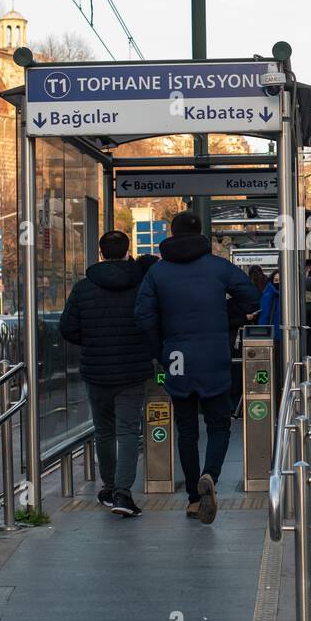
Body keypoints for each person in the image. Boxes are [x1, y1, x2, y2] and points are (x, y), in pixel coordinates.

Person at [135, 211, 259, 524]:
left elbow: (144, 317)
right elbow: (250, 297)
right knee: (219, 425)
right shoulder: (219, 267)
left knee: (187, 431)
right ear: (200, 232)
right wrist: (222, 314)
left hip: (176, 359)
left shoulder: (158, 273)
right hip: (214, 358)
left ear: (172, 234)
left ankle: (193, 498)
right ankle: (210, 475)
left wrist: (160, 350)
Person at [60, 230, 153, 517]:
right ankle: (123, 495)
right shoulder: (142, 285)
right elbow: (152, 321)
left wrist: (92, 343)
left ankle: (110, 487)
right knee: (127, 431)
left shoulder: (83, 288)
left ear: (100, 254)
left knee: (104, 431)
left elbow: (67, 328)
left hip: (96, 370)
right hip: (132, 370)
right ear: (128, 252)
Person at [258, 269, 282, 343]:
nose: (278, 282)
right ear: (272, 281)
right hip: (274, 335)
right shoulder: (268, 295)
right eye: (276, 280)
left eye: (280, 280)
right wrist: (263, 335)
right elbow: (264, 316)